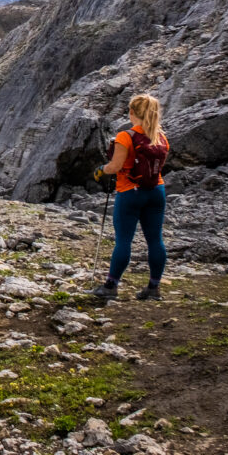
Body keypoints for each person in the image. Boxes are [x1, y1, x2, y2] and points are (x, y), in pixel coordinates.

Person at [89, 93, 170, 301]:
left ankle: (111, 285)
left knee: (124, 240)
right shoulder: (161, 137)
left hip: (130, 192)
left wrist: (101, 170)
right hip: (157, 191)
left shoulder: (126, 136)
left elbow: (115, 166)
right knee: (155, 240)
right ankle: (153, 288)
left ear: (132, 112)